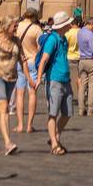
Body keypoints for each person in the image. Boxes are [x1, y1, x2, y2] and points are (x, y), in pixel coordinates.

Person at [0, 17, 31, 156]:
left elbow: (23, 60)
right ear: (6, 26)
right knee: (4, 108)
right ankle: (8, 143)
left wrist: (29, 79)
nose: (16, 28)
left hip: (12, 78)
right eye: (14, 26)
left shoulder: (16, 41)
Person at [35, 10, 75, 155]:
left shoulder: (63, 39)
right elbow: (44, 59)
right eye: (68, 23)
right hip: (54, 80)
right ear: (63, 25)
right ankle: (54, 144)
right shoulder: (52, 39)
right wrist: (39, 79)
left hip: (66, 80)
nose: (71, 25)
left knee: (67, 113)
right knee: (53, 113)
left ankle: (55, 136)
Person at [14, 9, 43, 134]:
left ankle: (20, 125)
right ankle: (29, 125)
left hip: (20, 61)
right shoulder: (37, 29)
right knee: (32, 93)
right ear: (35, 17)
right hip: (32, 62)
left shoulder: (17, 27)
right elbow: (40, 48)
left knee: (19, 94)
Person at [77, 18, 93, 117]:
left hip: (82, 60)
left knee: (82, 86)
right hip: (91, 61)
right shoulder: (90, 34)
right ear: (91, 25)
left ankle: (81, 109)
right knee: (92, 86)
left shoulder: (80, 32)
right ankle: (91, 110)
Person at [66, 18, 81, 103]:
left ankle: (73, 95)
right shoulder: (81, 32)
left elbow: (65, 45)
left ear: (71, 24)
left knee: (71, 78)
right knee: (79, 78)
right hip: (80, 57)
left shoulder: (68, 33)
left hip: (70, 56)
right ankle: (80, 95)